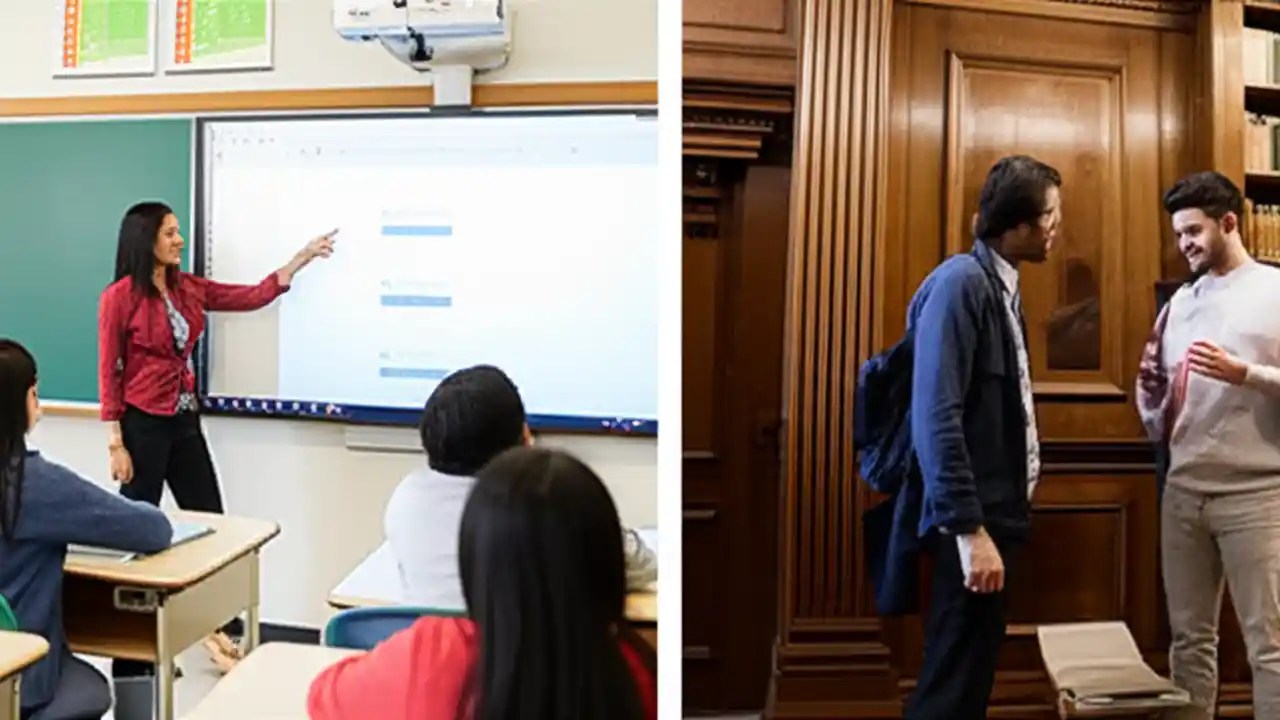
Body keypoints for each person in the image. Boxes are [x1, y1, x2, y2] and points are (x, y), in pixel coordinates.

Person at [96, 201, 335, 671]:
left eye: (178, 231)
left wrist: (301, 258)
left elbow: (252, 296)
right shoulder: (119, 297)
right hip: (143, 426)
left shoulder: (187, 288)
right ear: (146, 240)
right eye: (169, 233)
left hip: (184, 422)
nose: (179, 240)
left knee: (212, 524)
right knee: (138, 533)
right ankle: (136, 643)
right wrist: (116, 442)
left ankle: (214, 629)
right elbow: (110, 370)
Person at [308, 446, 657, 719]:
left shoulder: (434, 654)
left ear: (476, 560)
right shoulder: (641, 675)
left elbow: (323, 696)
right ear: (608, 562)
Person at [904, 155, 1060, 719]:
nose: (1054, 227)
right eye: (1049, 215)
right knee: (951, 682)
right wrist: (970, 531)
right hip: (973, 524)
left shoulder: (1002, 287)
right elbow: (935, 414)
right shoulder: (962, 284)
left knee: (970, 678)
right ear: (1016, 227)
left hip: (998, 516)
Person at [1136, 172, 1280, 720]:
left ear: (1229, 223)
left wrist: (1247, 373)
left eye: (1193, 231)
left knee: (1270, 647)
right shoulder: (1180, 304)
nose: (1185, 245)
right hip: (1183, 492)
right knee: (1188, 643)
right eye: (1177, 235)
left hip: (1258, 494)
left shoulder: (1274, 290)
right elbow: (1154, 388)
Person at [384, 364, 656, 611]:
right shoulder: (546, 501)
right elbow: (643, 567)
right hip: (524, 661)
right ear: (524, 437)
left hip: (436, 657)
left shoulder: (405, 499)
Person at [0, 339, 173, 720]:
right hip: (19, 678)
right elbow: (153, 529)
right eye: (34, 392)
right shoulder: (36, 482)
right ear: (23, 401)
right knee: (88, 687)